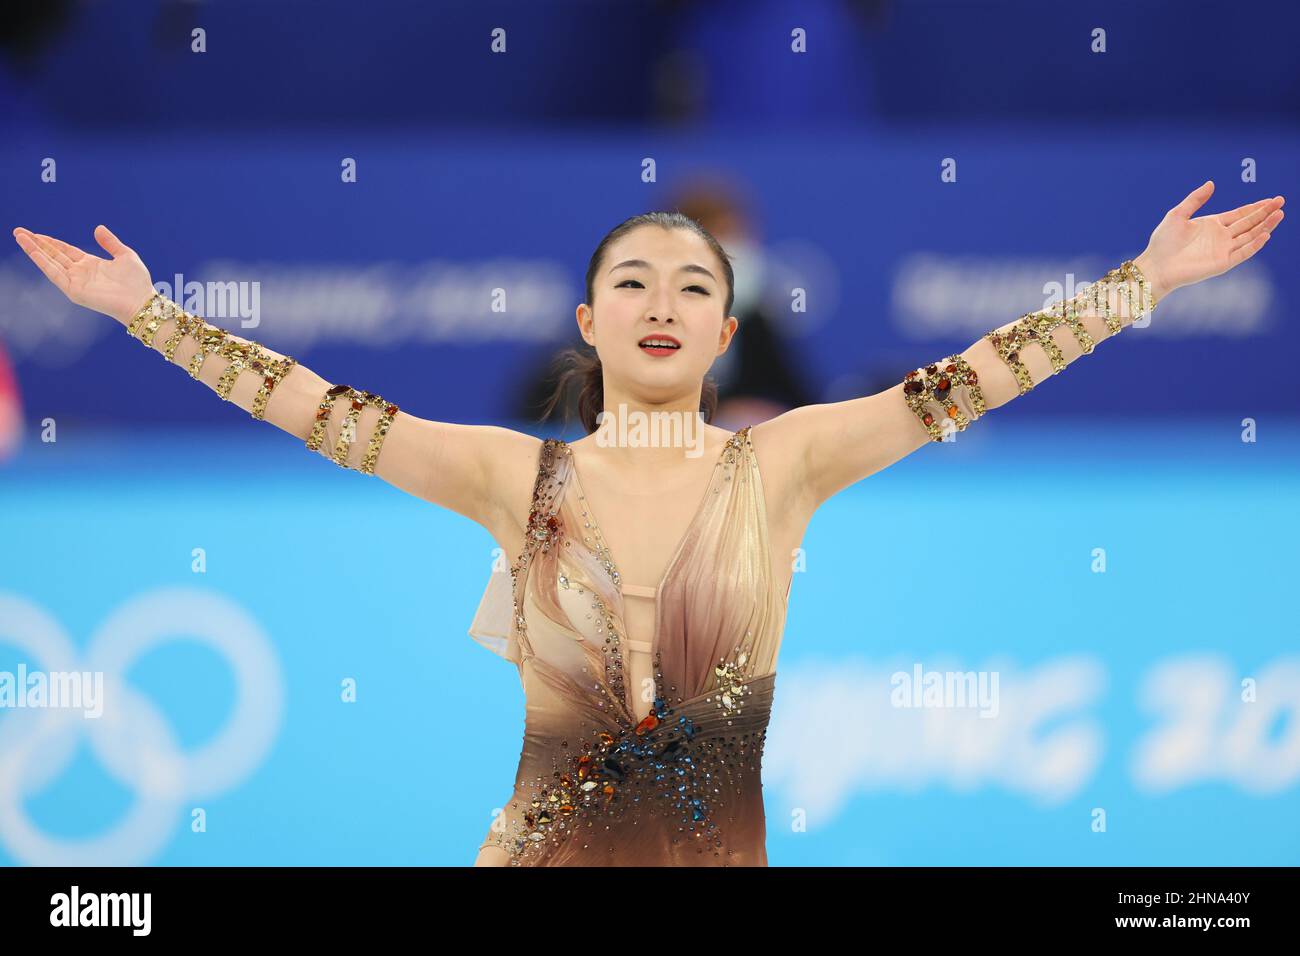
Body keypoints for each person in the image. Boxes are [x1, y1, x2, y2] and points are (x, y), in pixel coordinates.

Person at [9, 185, 1285, 865]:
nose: (660, 301)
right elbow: (318, 411)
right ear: (589, 320)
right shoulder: (516, 477)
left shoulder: (782, 463)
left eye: (693, 287)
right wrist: (147, 314)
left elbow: (973, 375)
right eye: (632, 281)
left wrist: (1145, 282)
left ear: (728, 334)